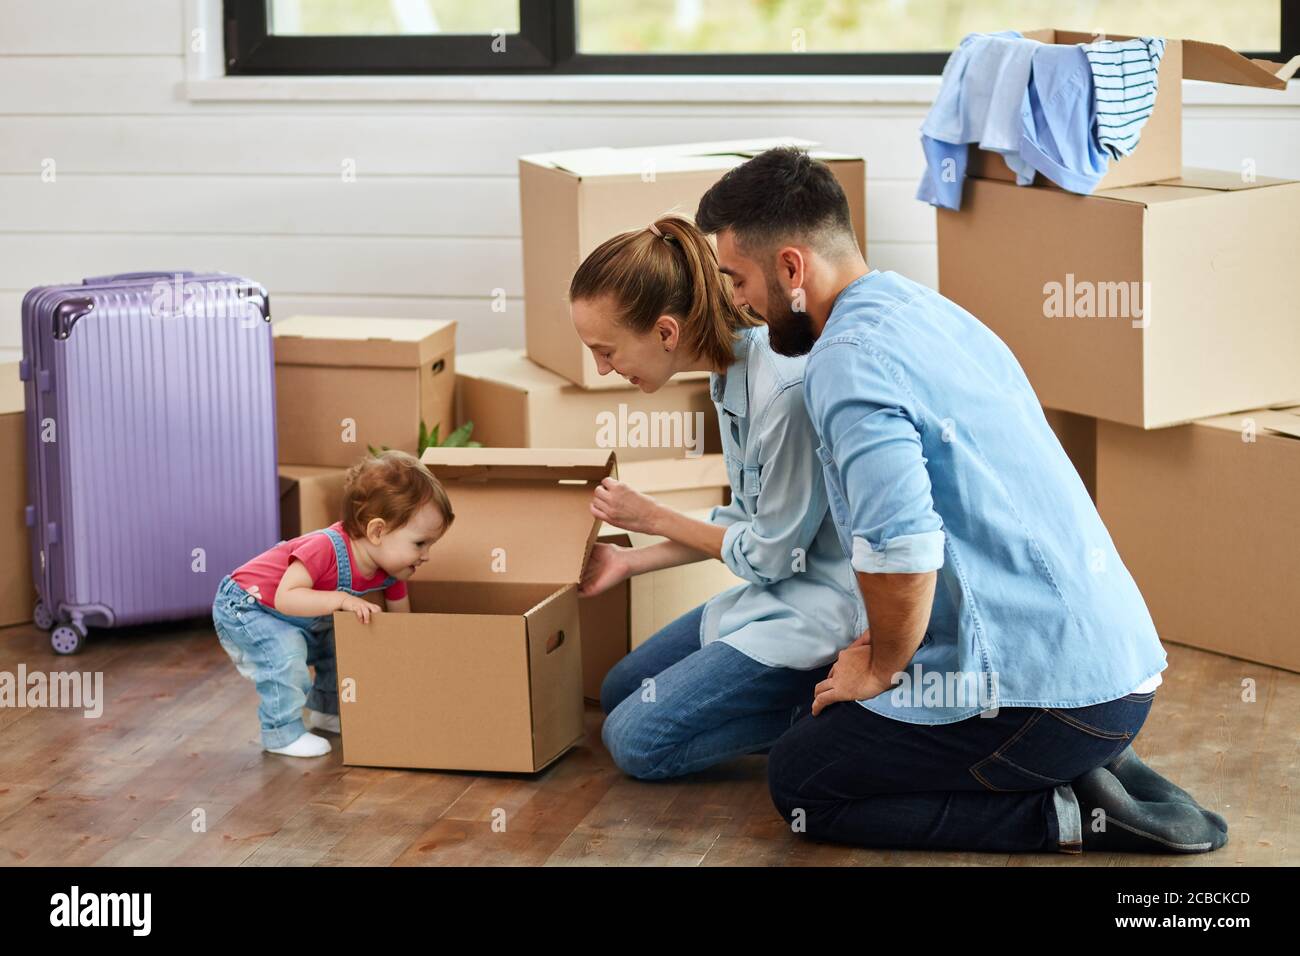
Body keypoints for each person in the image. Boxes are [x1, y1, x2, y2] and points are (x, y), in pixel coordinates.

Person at [693, 145, 1227, 854]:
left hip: (1056, 700)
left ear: (791, 268)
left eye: (737, 279)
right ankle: (1079, 760)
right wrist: (885, 651)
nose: (737, 303)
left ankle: (1063, 808)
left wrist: (882, 667)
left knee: (801, 779)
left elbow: (903, 548)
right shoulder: (925, 310)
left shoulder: (846, 361)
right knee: (833, 722)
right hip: (1116, 667)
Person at [570, 214, 865, 780]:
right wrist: (631, 560)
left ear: (664, 332)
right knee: (619, 690)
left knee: (635, 741)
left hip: (820, 607)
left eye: (606, 350)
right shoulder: (727, 370)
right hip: (771, 590)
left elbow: (771, 555)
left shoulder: (782, 390)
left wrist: (651, 516)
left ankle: (831, 707)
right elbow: (742, 519)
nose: (602, 368)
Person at [212, 450, 452, 757]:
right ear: (377, 531)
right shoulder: (323, 548)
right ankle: (280, 733)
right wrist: (341, 599)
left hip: (300, 615)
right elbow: (286, 597)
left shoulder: (393, 572)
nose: (427, 555)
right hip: (248, 605)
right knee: (285, 653)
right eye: (420, 543)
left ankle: (328, 711)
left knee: (342, 645)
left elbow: (401, 630)